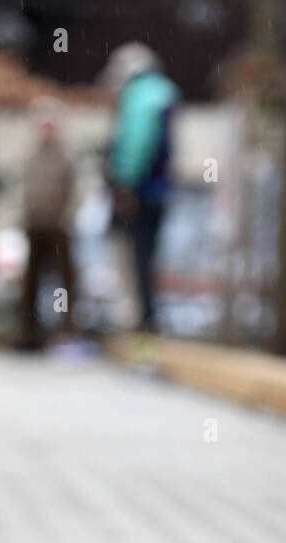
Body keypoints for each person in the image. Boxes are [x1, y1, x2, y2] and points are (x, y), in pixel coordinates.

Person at [104, 43, 179, 335]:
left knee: (136, 254)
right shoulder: (165, 93)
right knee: (148, 254)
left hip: (142, 192)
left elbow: (138, 142)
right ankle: (147, 313)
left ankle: (143, 316)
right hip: (158, 191)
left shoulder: (141, 96)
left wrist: (125, 183)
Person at [17, 99, 77, 351]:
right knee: (31, 282)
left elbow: (74, 191)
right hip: (35, 225)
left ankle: (66, 331)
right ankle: (30, 333)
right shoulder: (29, 156)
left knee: (64, 282)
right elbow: (23, 190)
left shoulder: (65, 157)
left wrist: (69, 219)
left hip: (58, 227)